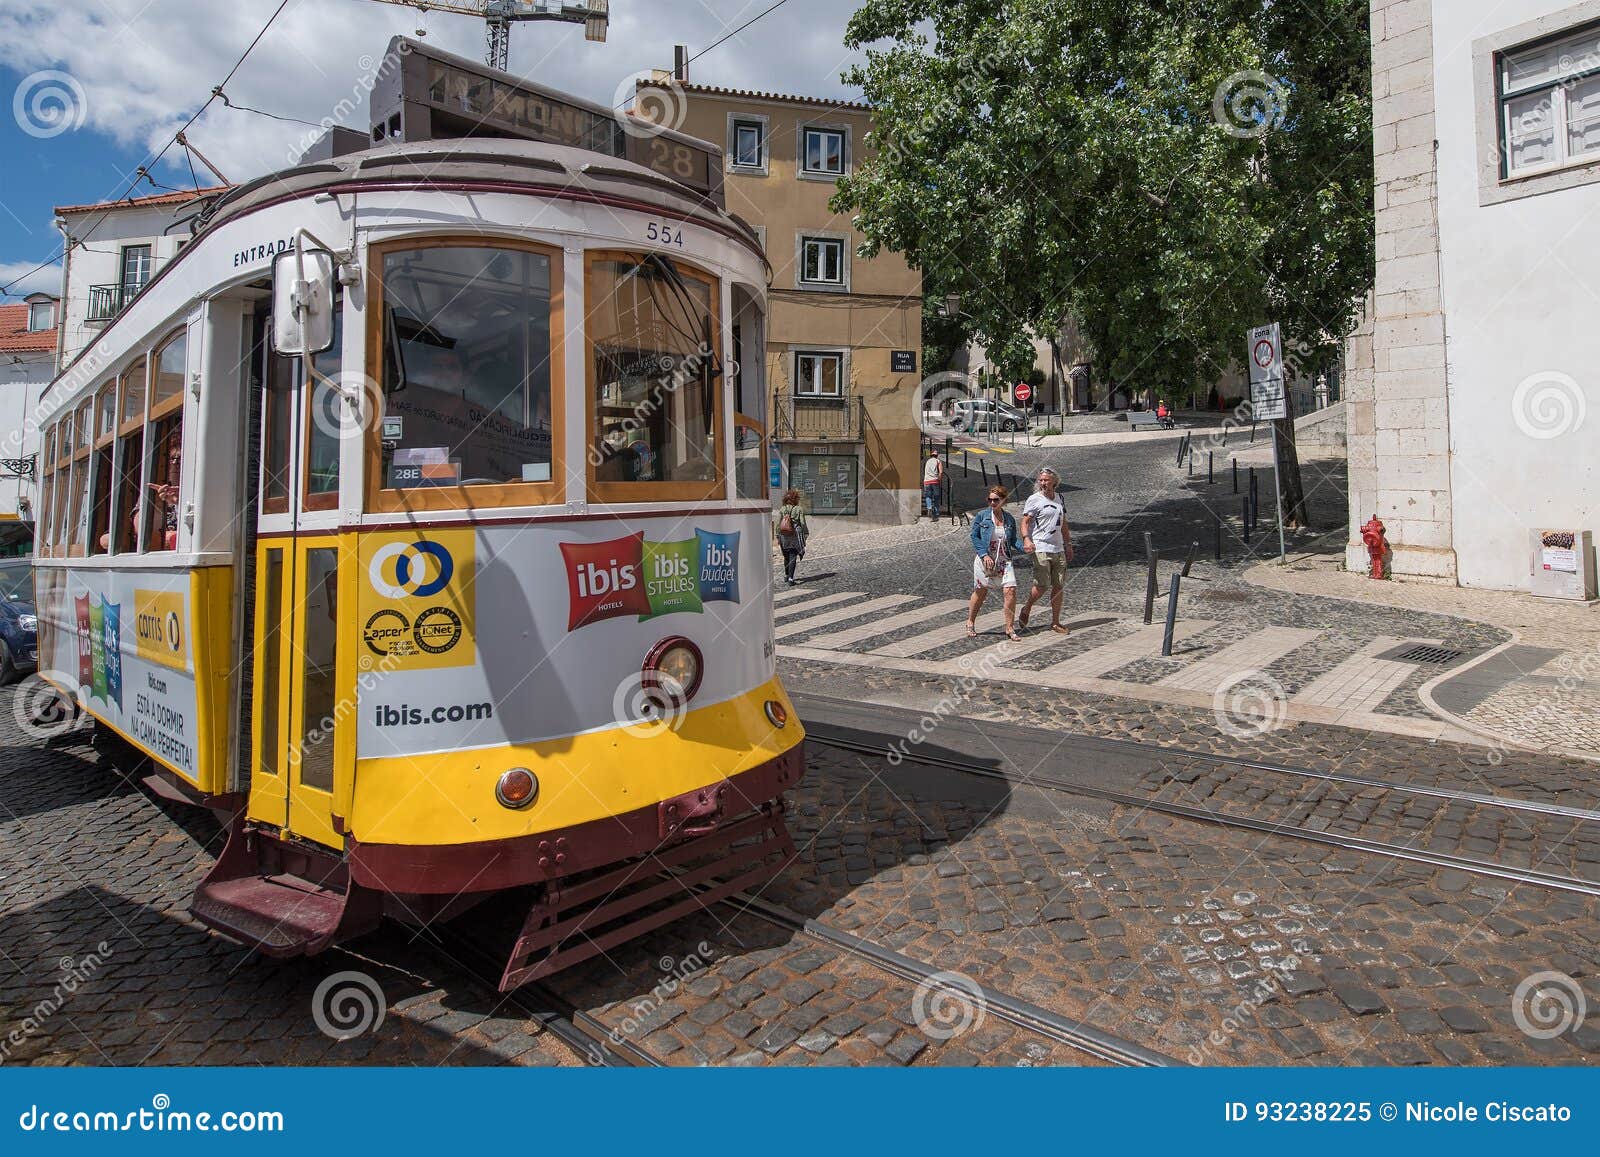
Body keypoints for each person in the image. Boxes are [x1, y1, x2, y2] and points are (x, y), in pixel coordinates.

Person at [1019, 466, 1073, 633]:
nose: (1043, 483)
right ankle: (1027, 607)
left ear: (1054, 482)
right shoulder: (1034, 499)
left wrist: (1068, 544)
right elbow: (1025, 522)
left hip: (1058, 548)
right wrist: (1027, 539)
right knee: (1042, 585)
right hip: (1041, 546)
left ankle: (1055, 622)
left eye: (1046, 480)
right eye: (1040, 480)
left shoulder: (1060, 498)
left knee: (1058, 585)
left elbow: (1063, 523)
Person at [967, 485, 1024, 641]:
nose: (992, 503)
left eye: (996, 500)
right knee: (981, 592)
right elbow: (975, 536)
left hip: (1004, 560)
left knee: (1010, 590)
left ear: (1003, 501)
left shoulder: (1009, 519)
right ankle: (971, 621)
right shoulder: (982, 516)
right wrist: (984, 554)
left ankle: (1009, 627)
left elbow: (1012, 541)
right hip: (985, 560)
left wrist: (1026, 547)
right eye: (990, 500)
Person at [774, 488, 808, 585]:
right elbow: (803, 523)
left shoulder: (782, 509)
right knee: (793, 556)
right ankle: (791, 579)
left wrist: (777, 535)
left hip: (783, 535)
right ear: (796, 499)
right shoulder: (799, 509)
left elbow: (778, 523)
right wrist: (805, 533)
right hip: (795, 535)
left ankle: (786, 575)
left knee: (786, 556)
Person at [921, 449, 944, 518]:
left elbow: (924, 471)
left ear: (931, 455)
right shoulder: (938, 461)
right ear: (937, 455)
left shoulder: (927, 461)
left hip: (927, 481)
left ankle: (929, 508)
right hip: (935, 481)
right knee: (936, 497)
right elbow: (941, 472)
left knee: (928, 496)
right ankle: (936, 512)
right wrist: (939, 480)